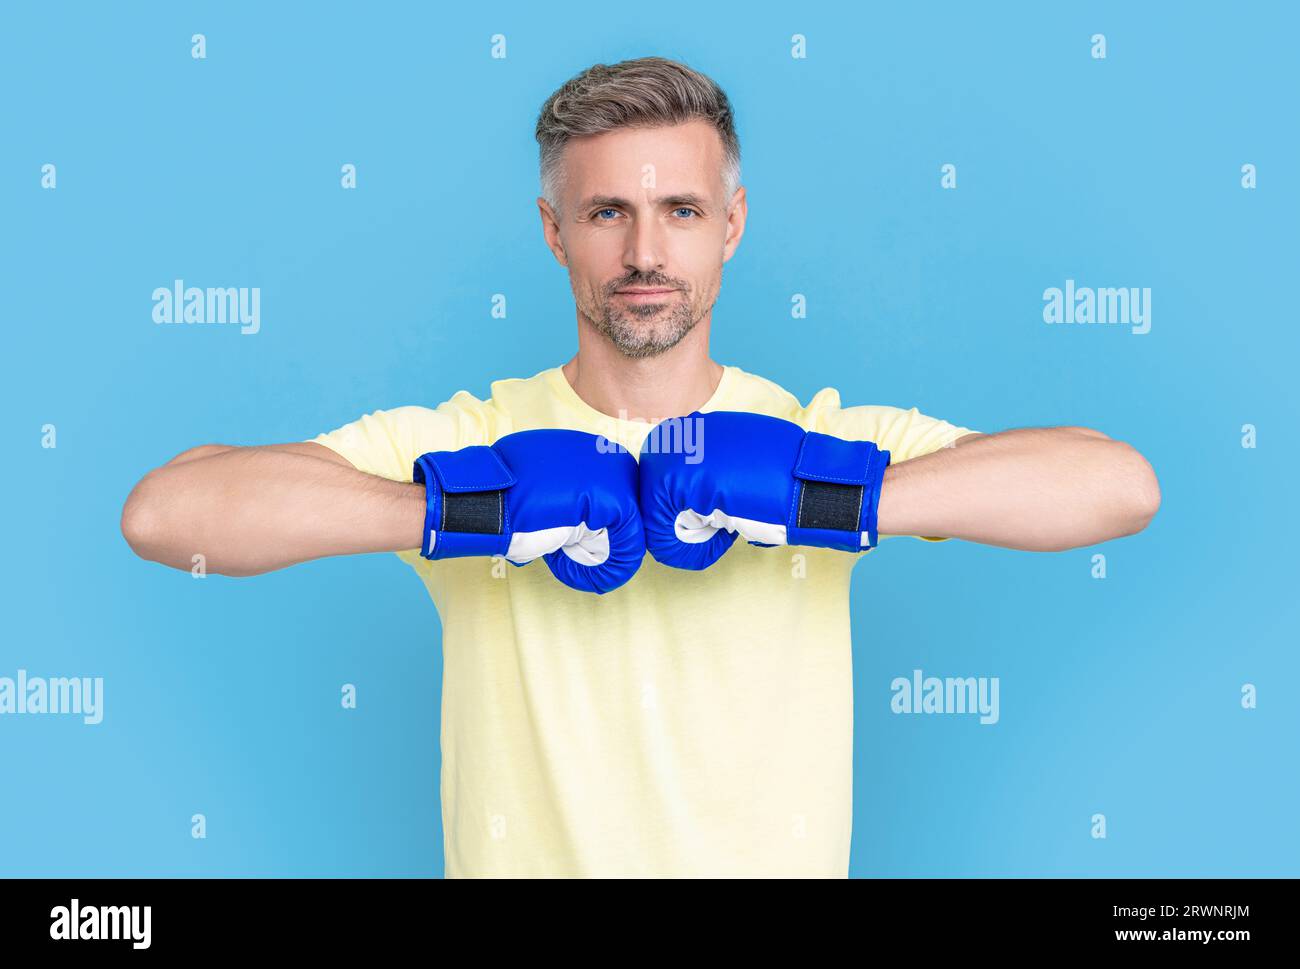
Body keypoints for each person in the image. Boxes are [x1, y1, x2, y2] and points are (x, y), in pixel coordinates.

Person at [120, 56, 1160, 877]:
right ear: (555, 231)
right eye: (608, 211)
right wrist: (466, 511)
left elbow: (1117, 484)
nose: (643, 253)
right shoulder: (462, 444)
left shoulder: (821, 437)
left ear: (732, 227)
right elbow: (167, 515)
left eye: (682, 212)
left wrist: (825, 495)